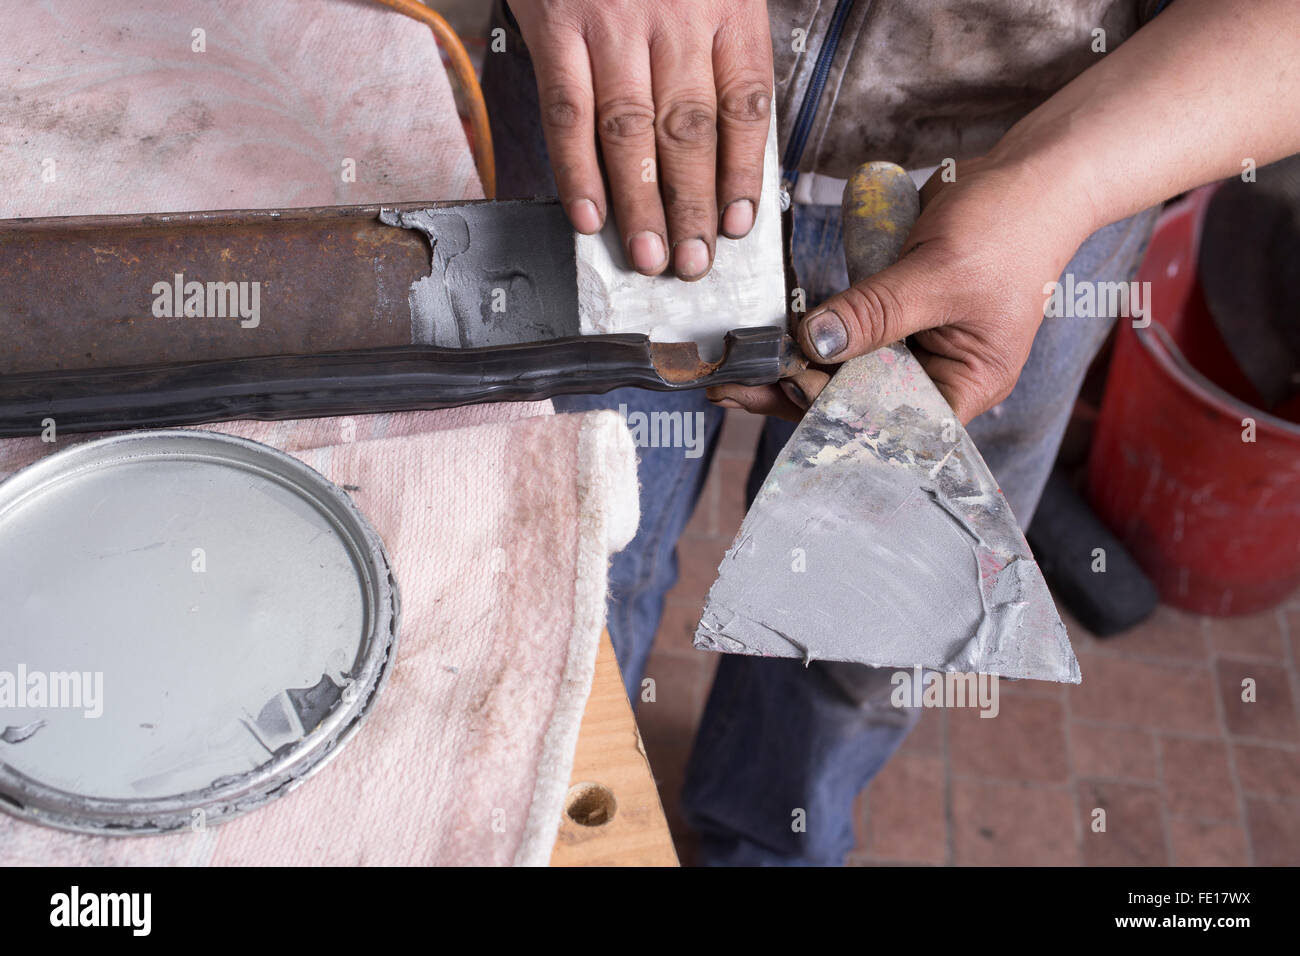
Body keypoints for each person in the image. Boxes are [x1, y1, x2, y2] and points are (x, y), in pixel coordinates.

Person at [482, 0, 1300, 865]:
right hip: (621, 114)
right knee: (571, 568)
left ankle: (771, 841)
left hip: (1017, 203)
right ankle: (566, 830)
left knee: (864, 625)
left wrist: (1058, 183)